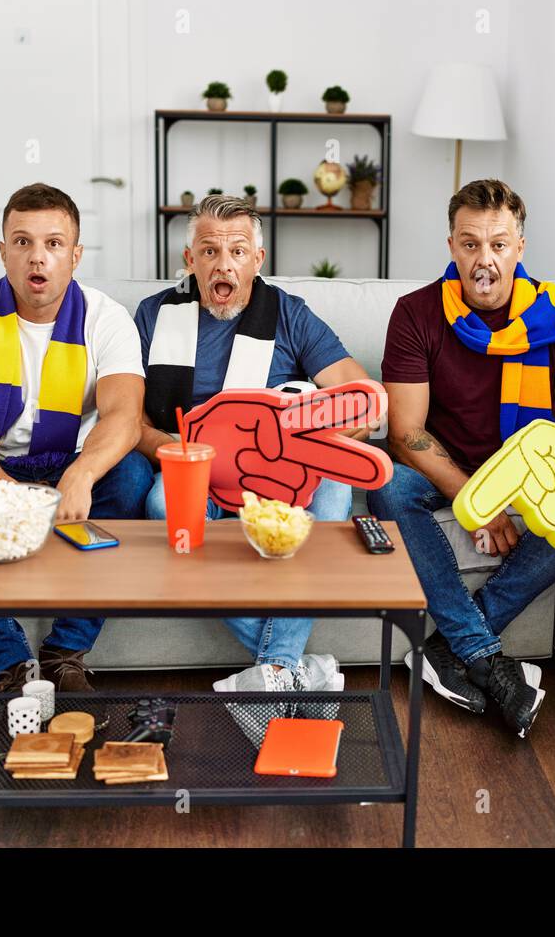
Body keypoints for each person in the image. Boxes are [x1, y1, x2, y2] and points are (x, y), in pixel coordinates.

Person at [368, 179, 555, 737]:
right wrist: (480, 505)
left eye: (499, 244)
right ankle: (480, 652)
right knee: (388, 485)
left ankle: (450, 650)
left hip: (529, 472)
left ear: (520, 247)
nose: (485, 260)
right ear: (451, 246)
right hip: (447, 469)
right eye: (470, 243)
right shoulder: (415, 313)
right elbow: (406, 435)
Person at [133, 194, 372, 725]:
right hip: (196, 466)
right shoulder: (153, 315)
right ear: (189, 259)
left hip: (279, 470)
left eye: (238, 251)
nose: (224, 265)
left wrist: (298, 434)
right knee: (160, 501)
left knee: (333, 487)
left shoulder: (288, 314)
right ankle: (289, 670)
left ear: (258, 260)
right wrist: (171, 448)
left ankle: (272, 674)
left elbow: (357, 398)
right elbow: (130, 420)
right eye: (210, 251)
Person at [0, 183, 153, 692]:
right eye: (22, 242)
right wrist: (13, 498)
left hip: (72, 459)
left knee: (132, 475)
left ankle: (65, 651)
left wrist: (82, 474)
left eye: (53, 243)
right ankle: (11, 663)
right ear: (3, 252)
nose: (37, 258)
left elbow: (124, 417)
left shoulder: (106, 319)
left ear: (76, 254)